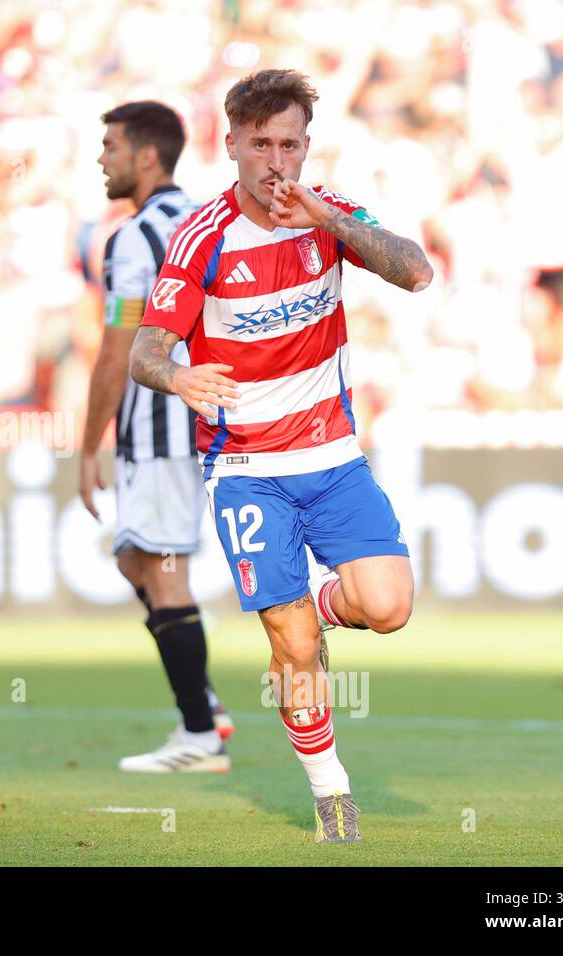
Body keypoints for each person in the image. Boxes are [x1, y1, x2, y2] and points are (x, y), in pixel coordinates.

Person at [129, 69, 432, 842]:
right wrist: (178, 374)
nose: (274, 162)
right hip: (245, 470)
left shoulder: (326, 215)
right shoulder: (202, 237)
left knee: (389, 607)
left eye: (288, 145)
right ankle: (333, 799)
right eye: (258, 144)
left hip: (331, 457)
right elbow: (145, 352)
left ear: (305, 146)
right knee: (292, 645)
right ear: (230, 144)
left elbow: (414, 271)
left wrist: (329, 219)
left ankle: (309, 606)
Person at [78, 101, 234, 773]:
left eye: (110, 146)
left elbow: (119, 348)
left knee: (166, 574)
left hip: (164, 429)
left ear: (147, 156)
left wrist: (87, 446)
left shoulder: (135, 236)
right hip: (196, 425)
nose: (101, 158)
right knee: (135, 559)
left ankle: (199, 733)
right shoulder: (205, 222)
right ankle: (204, 704)